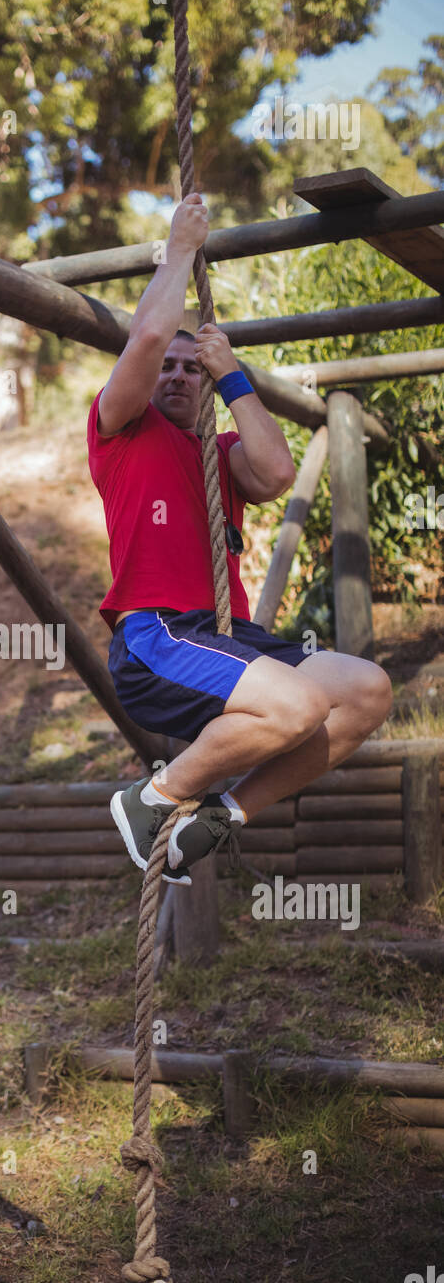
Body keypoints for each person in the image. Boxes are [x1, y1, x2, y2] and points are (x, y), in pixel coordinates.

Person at [89, 192, 392, 881]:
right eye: (169, 364)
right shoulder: (121, 429)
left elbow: (278, 470)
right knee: (299, 703)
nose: (176, 373)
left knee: (366, 690)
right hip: (157, 634)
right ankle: (150, 800)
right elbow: (142, 340)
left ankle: (219, 815)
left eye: (189, 368)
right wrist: (180, 251)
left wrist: (231, 375)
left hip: (224, 636)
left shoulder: (218, 454)